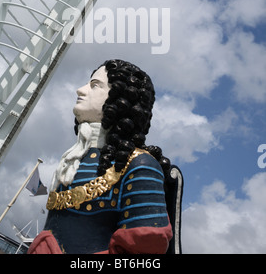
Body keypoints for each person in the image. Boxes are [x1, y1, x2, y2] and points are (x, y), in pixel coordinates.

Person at [28, 59, 173, 254]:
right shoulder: (74, 159)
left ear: (121, 99)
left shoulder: (139, 164)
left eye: (95, 86)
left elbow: (143, 247)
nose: (80, 90)